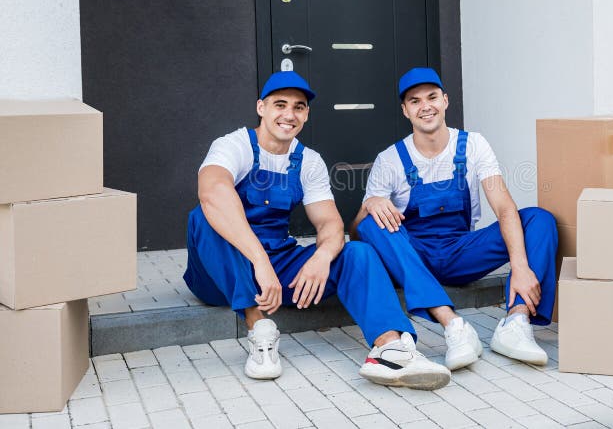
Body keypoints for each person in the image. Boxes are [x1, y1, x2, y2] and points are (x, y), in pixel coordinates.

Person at [184, 70, 450, 390]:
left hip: (277, 269)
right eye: (280, 104)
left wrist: (323, 256)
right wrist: (260, 262)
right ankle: (261, 332)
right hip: (218, 274)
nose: (289, 114)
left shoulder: (308, 161)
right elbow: (211, 191)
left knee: (357, 252)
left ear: (306, 114)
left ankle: (390, 349)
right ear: (261, 108)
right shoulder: (234, 145)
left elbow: (330, 223)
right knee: (203, 216)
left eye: (298, 107)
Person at [350, 67, 557, 370]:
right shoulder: (390, 159)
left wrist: (521, 266)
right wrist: (371, 202)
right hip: (413, 256)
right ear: (405, 110)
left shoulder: (474, 145)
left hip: (462, 251)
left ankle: (516, 322)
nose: (426, 106)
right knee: (371, 222)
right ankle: (454, 327)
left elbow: (504, 207)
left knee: (539, 219)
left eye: (432, 97)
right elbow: (357, 234)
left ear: (445, 101)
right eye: (415, 101)